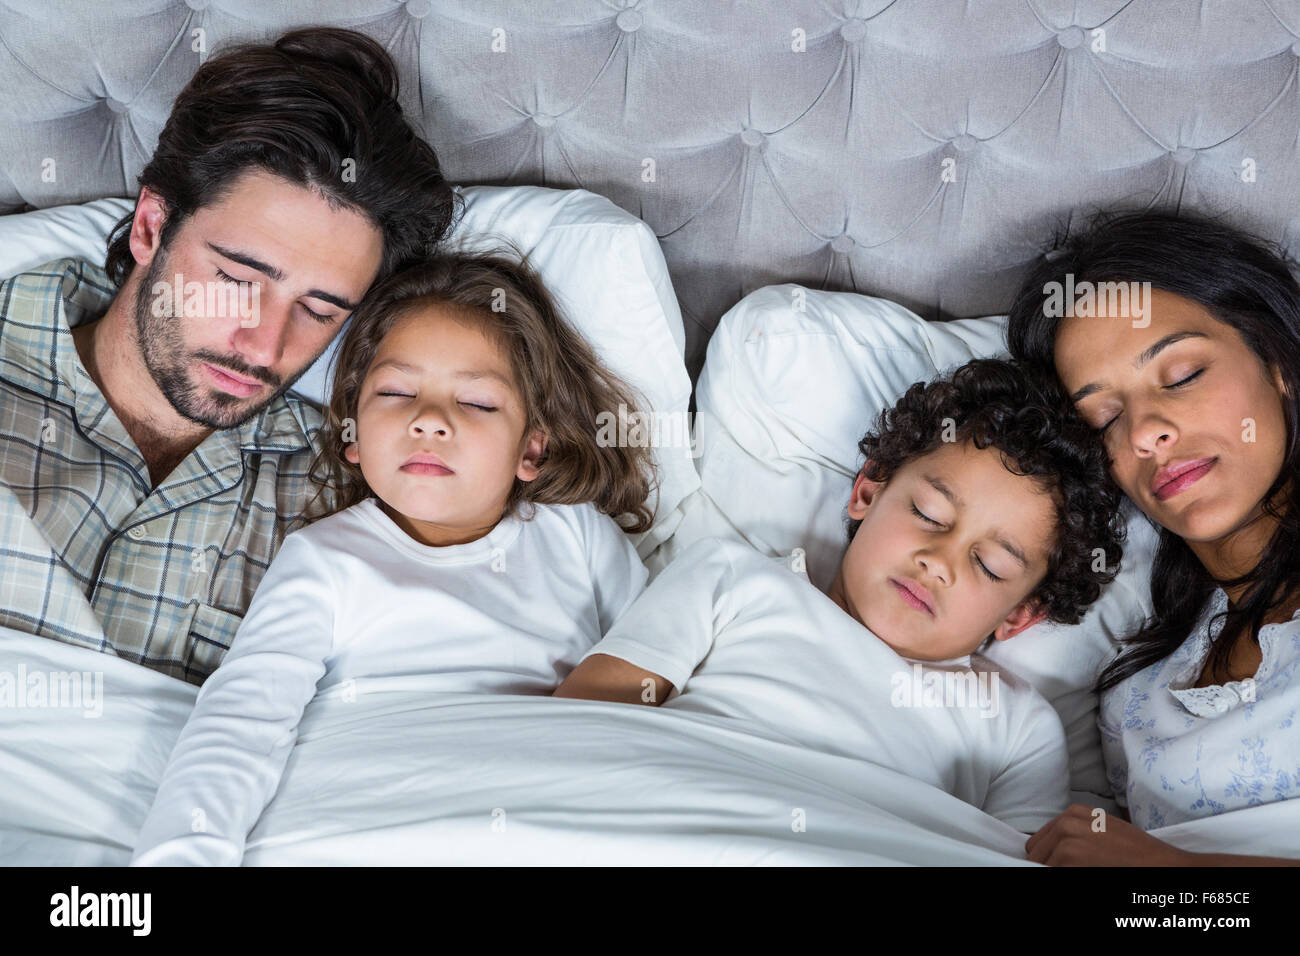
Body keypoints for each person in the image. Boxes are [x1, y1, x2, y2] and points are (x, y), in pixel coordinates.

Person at [131, 249, 657, 865]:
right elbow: (243, 718)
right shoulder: (326, 560)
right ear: (352, 433)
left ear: (532, 448)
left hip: (544, 810)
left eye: (479, 403)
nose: (430, 421)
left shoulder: (575, 535)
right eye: (397, 392)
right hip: (378, 813)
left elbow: (655, 654)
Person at [0, 28, 457, 683]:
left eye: (319, 309)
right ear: (151, 228)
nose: (265, 347)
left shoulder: (342, 488)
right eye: (239, 280)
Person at [556, 358, 1126, 834]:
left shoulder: (1016, 724)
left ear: (1020, 615)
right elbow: (577, 727)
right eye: (928, 514)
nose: (939, 562)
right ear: (868, 490)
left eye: (989, 564)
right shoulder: (732, 577)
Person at [1007, 210, 1300, 865]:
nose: (1145, 432)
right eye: (1104, 416)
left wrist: (1178, 878)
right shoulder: (1133, 697)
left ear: (1279, 360)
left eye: (1181, 376)